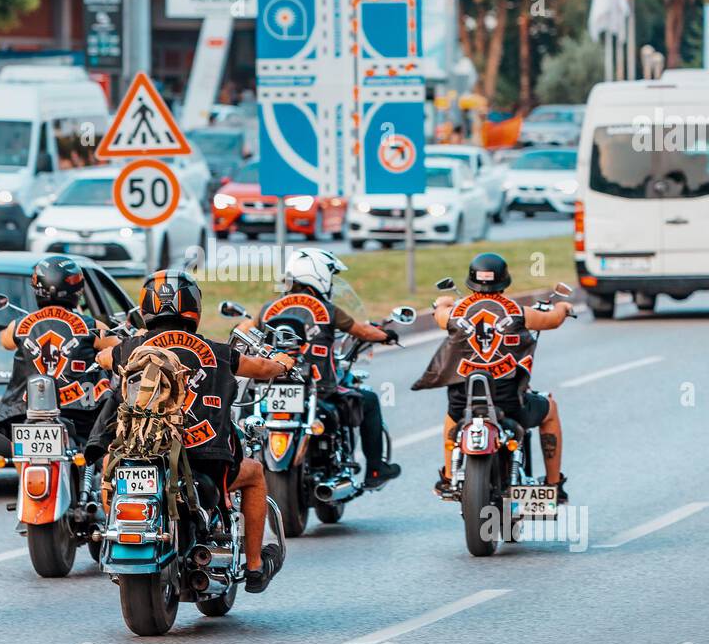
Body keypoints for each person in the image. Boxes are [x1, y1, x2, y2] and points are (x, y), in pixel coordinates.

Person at [88, 269, 295, 592]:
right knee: (254, 472)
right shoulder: (219, 352)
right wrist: (283, 362)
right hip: (206, 459)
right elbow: (263, 368)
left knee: (109, 469)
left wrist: (109, 352)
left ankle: (116, 530)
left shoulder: (130, 350)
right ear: (193, 307)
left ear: (147, 308)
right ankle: (254, 566)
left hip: (144, 454)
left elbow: (103, 356)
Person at [421, 252, 571, 501]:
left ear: (471, 282)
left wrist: (443, 302)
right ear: (504, 281)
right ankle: (554, 485)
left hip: (463, 402)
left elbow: (439, 313)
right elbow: (553, 320)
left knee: (451, 414)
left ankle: (448, 478)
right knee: (550, 409)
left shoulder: (455, 314)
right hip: (510, 403)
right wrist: (563, 307)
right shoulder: (519, 313)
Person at [249, 248, 401, 488]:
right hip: (319, 387)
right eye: (330, 274)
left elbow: (246, 329)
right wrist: (386, 335)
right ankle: (375, 470)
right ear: (318, 274)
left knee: (245, 416)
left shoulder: (269, 308)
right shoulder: (326, 309)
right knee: (369, 400)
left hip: (271, 385)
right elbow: (361, 332)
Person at [0, 256, 118, 444]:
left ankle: (23, 473)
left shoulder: (20, 325)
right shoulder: (90, 325)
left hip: (27, 406)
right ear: (77, 290)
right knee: (105, 439)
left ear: (37, 288)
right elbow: (118, 348)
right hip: (78, 409)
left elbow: (5, 341)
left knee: (18, 441)